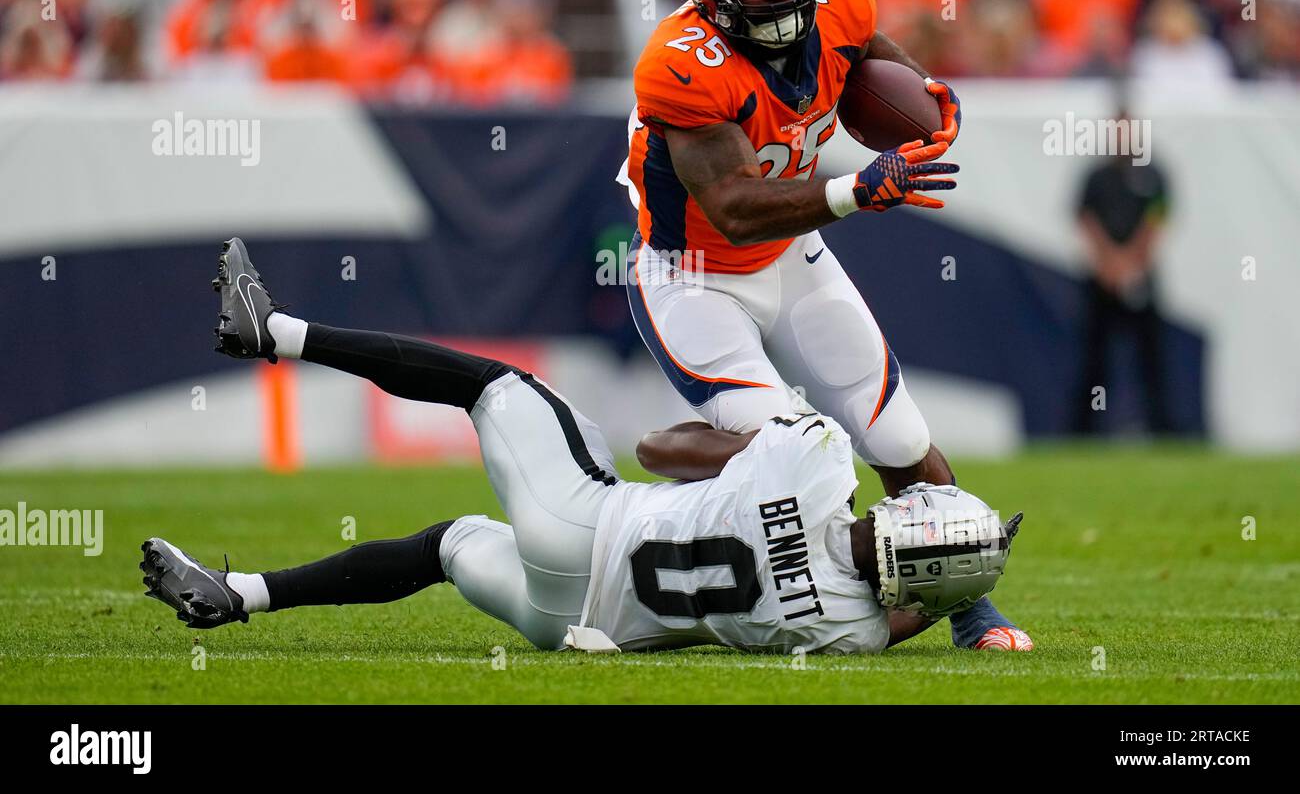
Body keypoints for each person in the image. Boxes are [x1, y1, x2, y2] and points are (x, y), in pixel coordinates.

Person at [139, 239, 1021, 654]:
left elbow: (654, 449)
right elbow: (900, 614)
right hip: (574, 623)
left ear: (908, 514)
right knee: (446, 546)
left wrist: (738, 450)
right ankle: (240, 595)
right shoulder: (848, 631)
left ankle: (276, 331)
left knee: (489, 385)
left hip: (585, 522)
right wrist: (958, 592)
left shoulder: (818, 456)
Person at [616, 0, 1030, 649]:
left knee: (900, 439)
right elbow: (736, 207)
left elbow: (873, 63)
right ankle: (674, 459)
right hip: (695, 278)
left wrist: (928, 100)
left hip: (795, 259)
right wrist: (851, 190)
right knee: (801, 450)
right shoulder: (681, 63)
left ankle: (972, 606)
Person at [1075, 135, 1172, 434]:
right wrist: (1110, 263)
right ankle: (1084, 430)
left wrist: (1132, 261)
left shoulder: (1152, 173)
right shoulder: (1098, 175)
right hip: (1102, 278)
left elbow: (1158, 216)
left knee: (1152, 357)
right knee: (1094, 359)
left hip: (1140, 275)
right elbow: (1086, 217)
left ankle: (1161, 428)